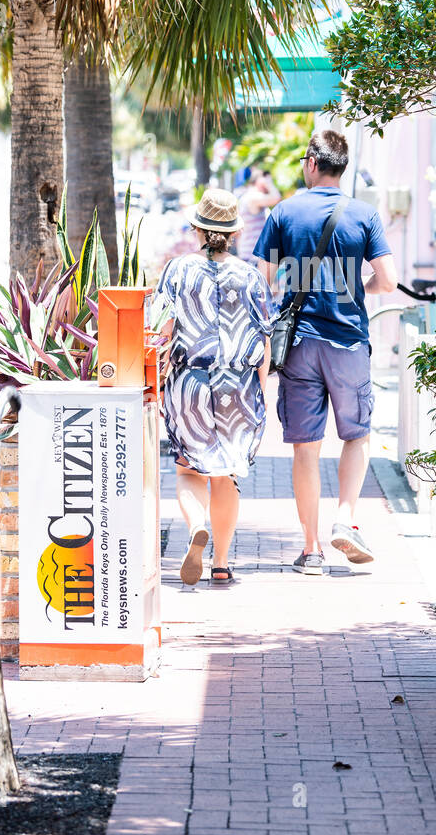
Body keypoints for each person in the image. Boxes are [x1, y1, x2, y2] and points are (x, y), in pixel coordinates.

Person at [253, 129, 397, 574]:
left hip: (297, 344)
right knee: (356, 435)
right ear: (343, 166)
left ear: (312, 163)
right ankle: (346, 521)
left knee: (305, 449)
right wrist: (355, 291)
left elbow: (264, 281)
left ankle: (311, 549)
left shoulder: (283, 212)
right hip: (349, 340)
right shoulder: (365, 215)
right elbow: (387, 281)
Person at [156, 188, 272, 586]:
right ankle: (221, 564)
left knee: (188, 470)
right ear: (235, 232)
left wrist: (159, 381)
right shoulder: (250, 274)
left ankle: (195, 528)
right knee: (225, 477)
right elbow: (263, 337)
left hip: (189, 381)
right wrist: (262, 394)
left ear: (196, 228)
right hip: (238, 386)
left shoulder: (177, 270)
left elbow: (163, 330)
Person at [236, 167, 281, 261]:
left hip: (249, 255)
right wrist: (268, 183)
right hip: (253, 257)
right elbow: (276, 198)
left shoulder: (249, 196)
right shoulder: (253, 196)